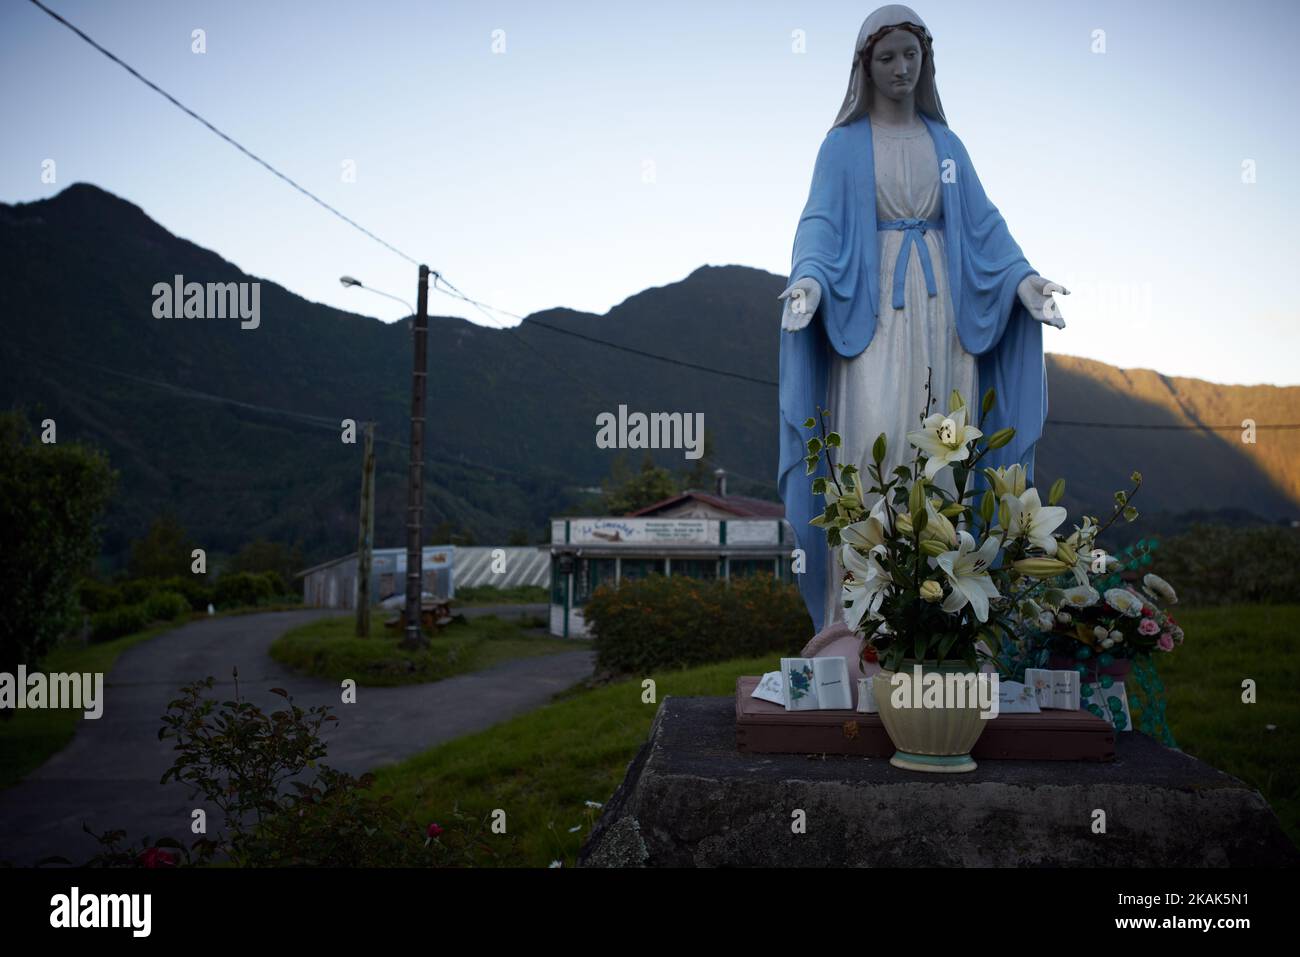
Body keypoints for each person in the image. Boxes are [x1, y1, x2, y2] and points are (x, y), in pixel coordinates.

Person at [778, 5, 1068, 636]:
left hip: (944, 313)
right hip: (871, 309)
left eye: (911, 55)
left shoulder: (947, 145)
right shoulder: (842, 145)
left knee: (944, 450)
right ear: (865, 66)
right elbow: (819, 223)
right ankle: (860, 619)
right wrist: (808, 280)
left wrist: (1024, 281)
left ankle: (942, 617)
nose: (900, 68)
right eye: (887, 57)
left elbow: (985, 227)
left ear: (925, 60)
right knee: (872, 438)